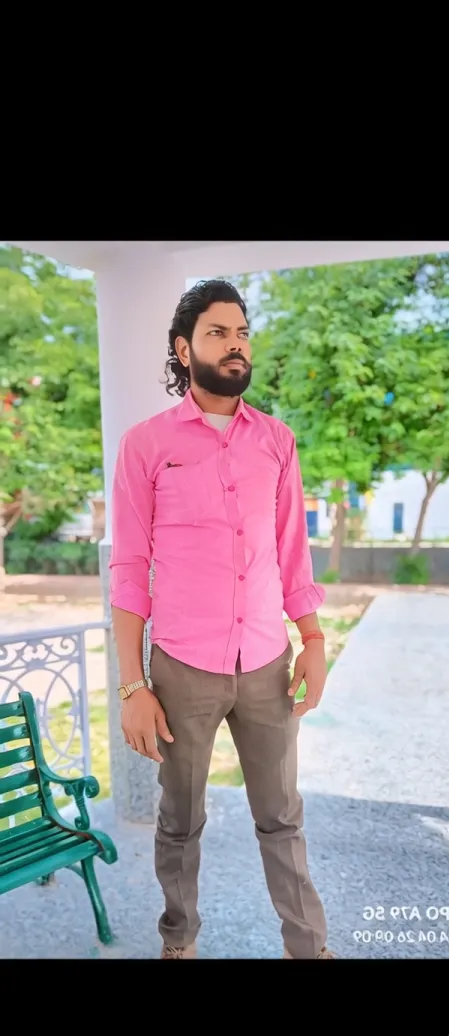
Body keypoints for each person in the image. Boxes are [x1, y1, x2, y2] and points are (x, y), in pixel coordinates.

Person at [109, 279, 335, 959]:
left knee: (282, 818)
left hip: (266, 662)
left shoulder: (276, 440)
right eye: (217, 333)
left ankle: (309, 946)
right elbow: (129, 570)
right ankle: (179, 944)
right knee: (179, 821)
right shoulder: (146, 445)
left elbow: (293, 551)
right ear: (184, 349)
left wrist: (314, 639)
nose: (235, 345)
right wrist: (132, 685)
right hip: (181, 668)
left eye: (242, 333)